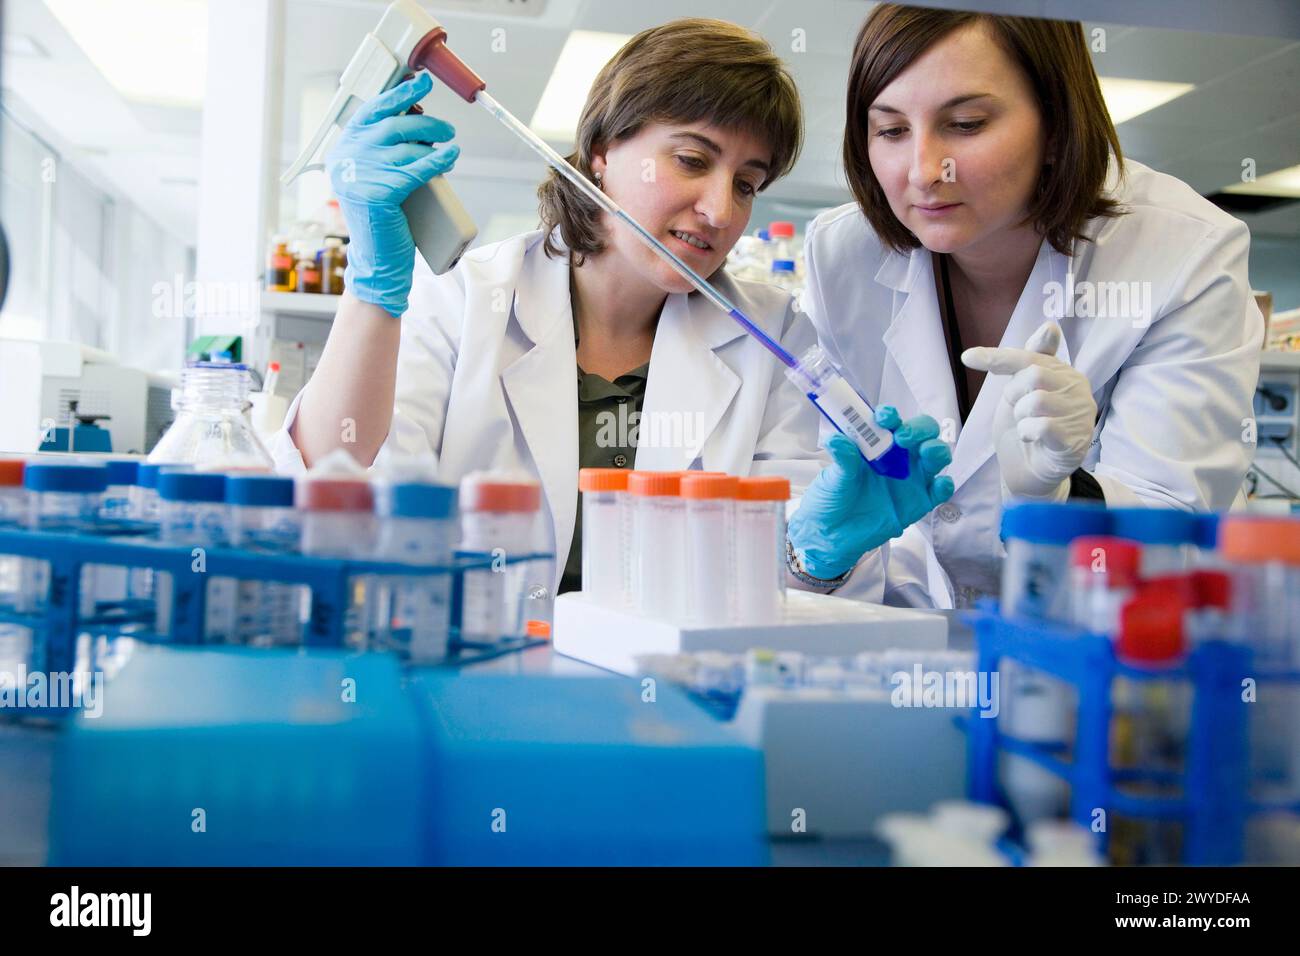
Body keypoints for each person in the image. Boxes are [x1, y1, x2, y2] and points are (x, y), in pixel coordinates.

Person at [272, 18, 954, 599]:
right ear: (601, 153)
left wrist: (816, 556)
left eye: (747, 183)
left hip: (672, 714)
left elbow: (785, 598)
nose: (721, 211)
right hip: (468, 691)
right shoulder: (464, 299)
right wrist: (372, 293)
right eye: (692, 160)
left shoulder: (772, 337)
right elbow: (336, 498)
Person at [801, 4, 1263, 608]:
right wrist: (818, 560)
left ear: (1056, 125)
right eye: (890, 130)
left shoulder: (1183, 251)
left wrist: (1063, 495)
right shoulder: (845, 252)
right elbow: (842, 522)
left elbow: (1172, 525)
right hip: (911, 647)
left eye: (965, 124)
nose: (922, 171)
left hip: (1111, 654)